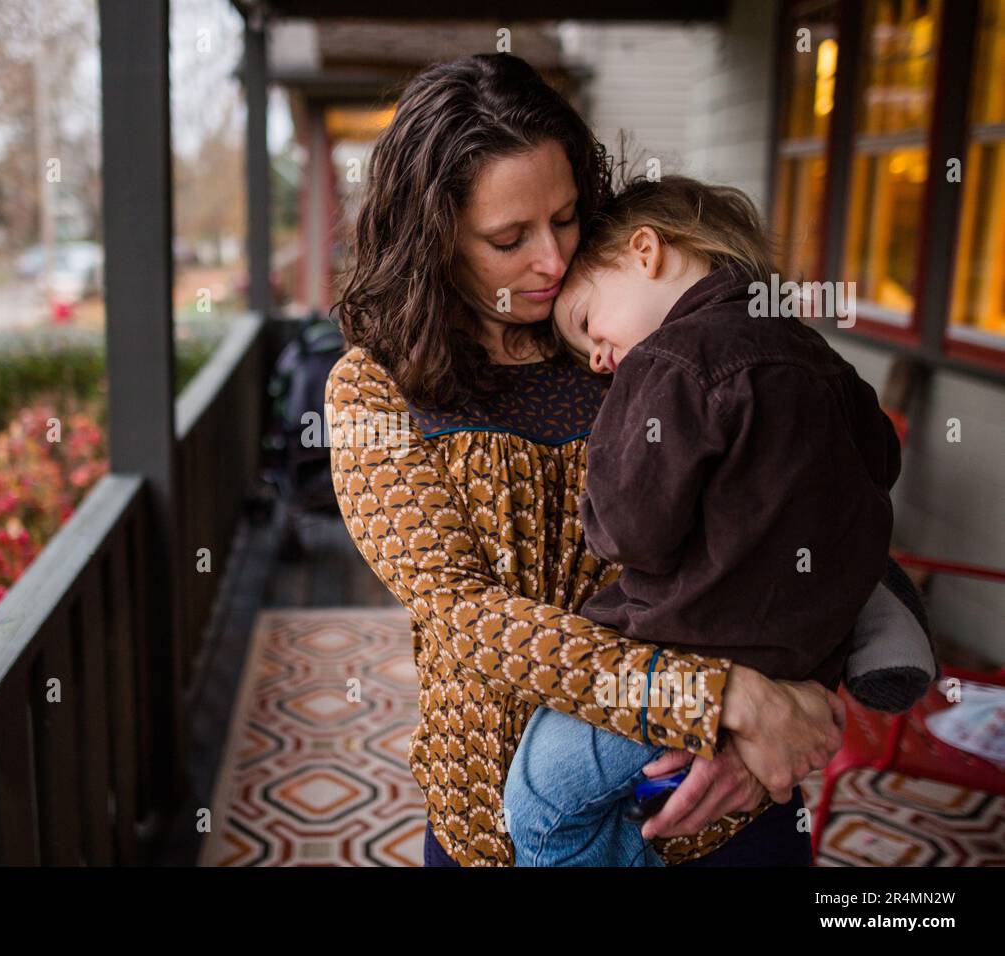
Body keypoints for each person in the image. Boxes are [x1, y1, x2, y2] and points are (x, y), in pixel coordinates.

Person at [326, 52, 925, 867]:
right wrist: (722, 702)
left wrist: (782, 711)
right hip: (502, 823)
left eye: (568, 218)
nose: (552, 260)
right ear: (432, 240)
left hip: (719, 813)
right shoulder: (373, 392)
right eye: (510, 238)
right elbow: (464, 615)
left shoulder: (639, 333)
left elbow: (799, 504)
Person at [501, 175, 937, 867]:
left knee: (541, 807)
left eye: (587, 324)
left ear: (647, 252)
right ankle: (872, 608)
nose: (596, 359)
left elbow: (630, 531)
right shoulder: (816, 353)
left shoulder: (667, 362)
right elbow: (878, 457)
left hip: (684, 654)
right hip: (798, 664)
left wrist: (606, 461)